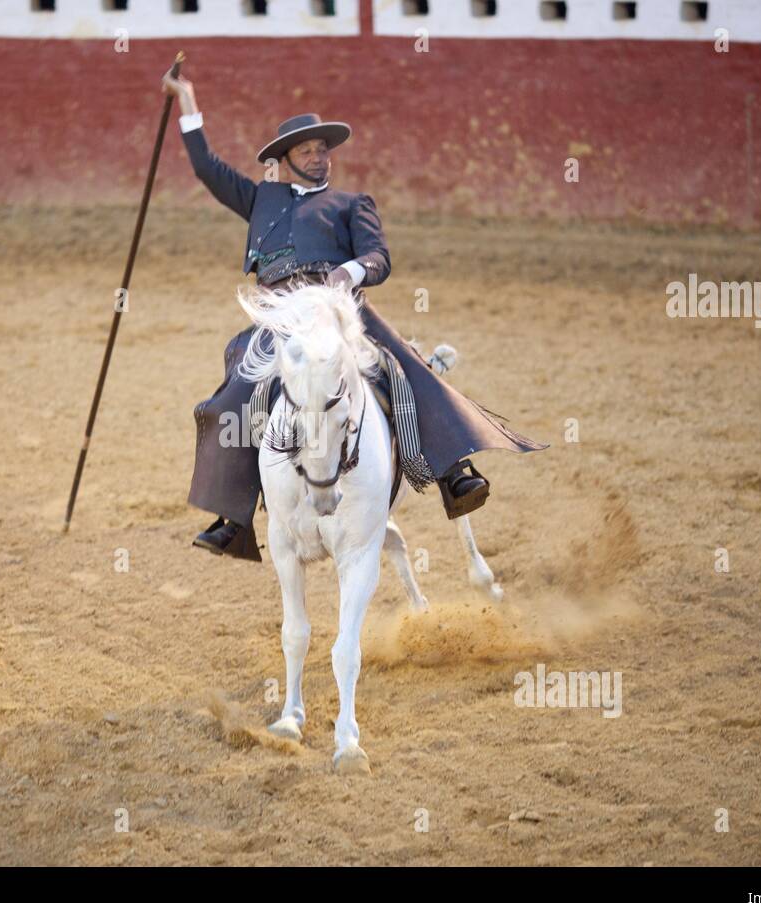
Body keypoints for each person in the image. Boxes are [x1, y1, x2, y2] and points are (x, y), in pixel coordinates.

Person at [162, 69, 546, 562]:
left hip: (341, 308)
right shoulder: (260, 197)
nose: (318, 157)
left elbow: (379, 257)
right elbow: (206, 166)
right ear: (285, 161)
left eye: (322, 149)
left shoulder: (351, 203)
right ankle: (233, 517)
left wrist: (350, 271)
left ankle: (453, 473)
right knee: (233, 394)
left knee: (403, 365)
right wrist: (187, 98)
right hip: (281, 315)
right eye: (307, 151)